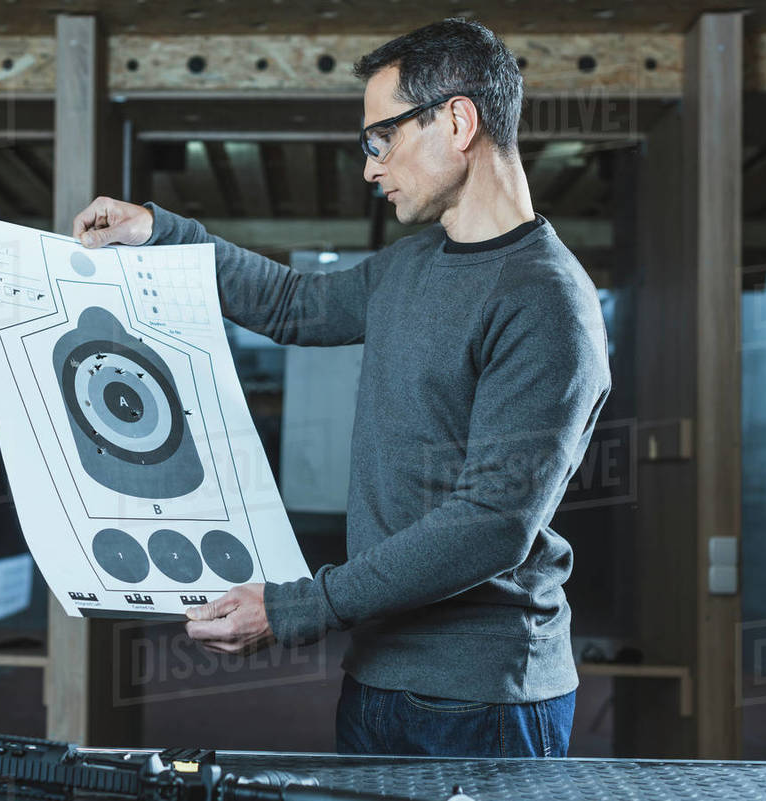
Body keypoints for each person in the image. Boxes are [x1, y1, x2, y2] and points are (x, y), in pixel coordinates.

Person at [72, 18, 610, 758]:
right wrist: (161, 233)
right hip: (377, 673)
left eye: (380, 137)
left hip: (482, 696)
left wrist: (299, 607)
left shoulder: (547, 300)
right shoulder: (408, 266)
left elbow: (491, 521)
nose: (370, 166)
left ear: (457, 120)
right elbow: (295, 304)